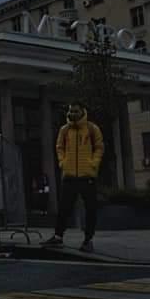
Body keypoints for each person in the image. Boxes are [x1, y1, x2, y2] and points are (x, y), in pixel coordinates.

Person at [43, 101, 104, 253]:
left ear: (83, 111)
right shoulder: (64, 130)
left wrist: (93, 163)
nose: (72, 114)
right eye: (70, 111)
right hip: (69, 175)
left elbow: (99, 147)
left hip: (87, 176)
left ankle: (88, 240)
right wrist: (63, 162)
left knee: (90, 209)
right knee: (64, 208)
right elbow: (59, 147)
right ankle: (58, 237)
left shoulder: (92, 128)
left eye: (76, 111)